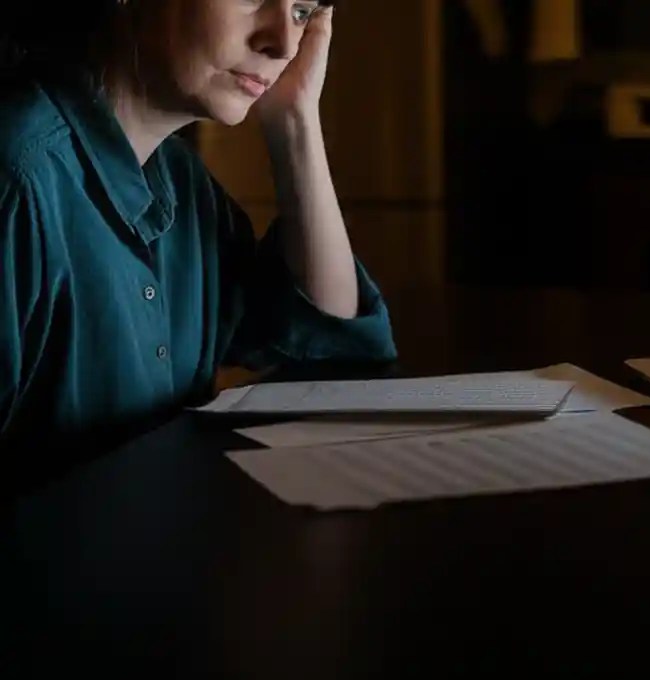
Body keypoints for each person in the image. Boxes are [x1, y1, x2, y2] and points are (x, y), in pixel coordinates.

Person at [0, 1, 397, 470]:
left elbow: (339, 363)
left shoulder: (184, 184)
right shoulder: (18, 181)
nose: (285, 45)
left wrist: (295, 121)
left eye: (301, 12)